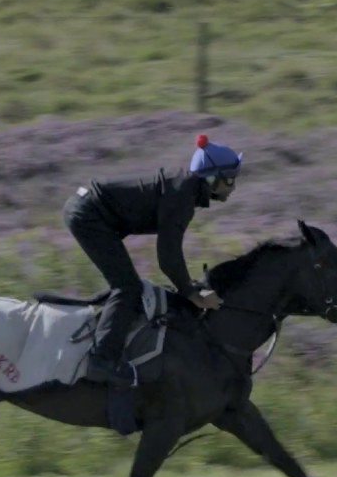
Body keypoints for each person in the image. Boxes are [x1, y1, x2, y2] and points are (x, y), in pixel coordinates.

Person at [62, 134, 242, 387]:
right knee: (128, 287)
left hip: (89, 209)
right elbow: (167, 258)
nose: (233, 187)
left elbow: (171, 256)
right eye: (231, 179)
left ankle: (110, 333)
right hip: (87, 215)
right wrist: (193, 295)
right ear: (213, 178)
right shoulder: (183, 196)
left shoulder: (185, 189)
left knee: (126, 283)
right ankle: (100, 361)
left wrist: (188, 286)